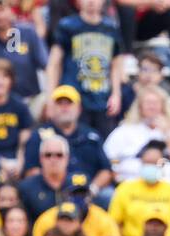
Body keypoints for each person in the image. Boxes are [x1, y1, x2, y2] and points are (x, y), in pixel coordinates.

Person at [47, 0, 125, 139]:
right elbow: (54, 63)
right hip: (73, 98)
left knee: (104, 144)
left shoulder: (111, 27)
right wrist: (51, 97)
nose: (91, 2)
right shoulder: (67, 25)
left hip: (102, 98)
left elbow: (116, 64)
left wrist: (116, 94)